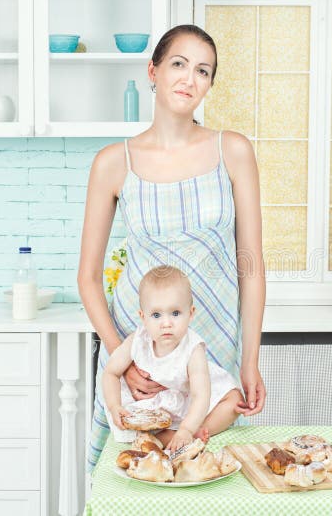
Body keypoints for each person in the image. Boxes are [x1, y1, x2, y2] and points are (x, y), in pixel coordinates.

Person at [78, 24, 266, 470]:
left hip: (214, 342)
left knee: (205, 472)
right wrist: (122, 357)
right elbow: (87, 278)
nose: (189, 78)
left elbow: (252, 266)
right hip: (142, 349)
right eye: (179, 64)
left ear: (210, 84)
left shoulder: (233, 150)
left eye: (203, 71)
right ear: (153, 71)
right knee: (139, 469)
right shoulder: (113, 162)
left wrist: (251, 359)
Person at [103, 265, 242, 452]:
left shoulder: (193, 348)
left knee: (235, 401)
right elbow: (110, 372)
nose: (166, 323)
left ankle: (193, 431)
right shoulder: (137, 341)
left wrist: (186, 428)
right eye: (156, 315)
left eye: (175, 313)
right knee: (135, 431)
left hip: (188, 405)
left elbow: (201, 395)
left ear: (190, 314)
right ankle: (164, 436)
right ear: (143, 317)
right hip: (152, 408)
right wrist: (114, 406)